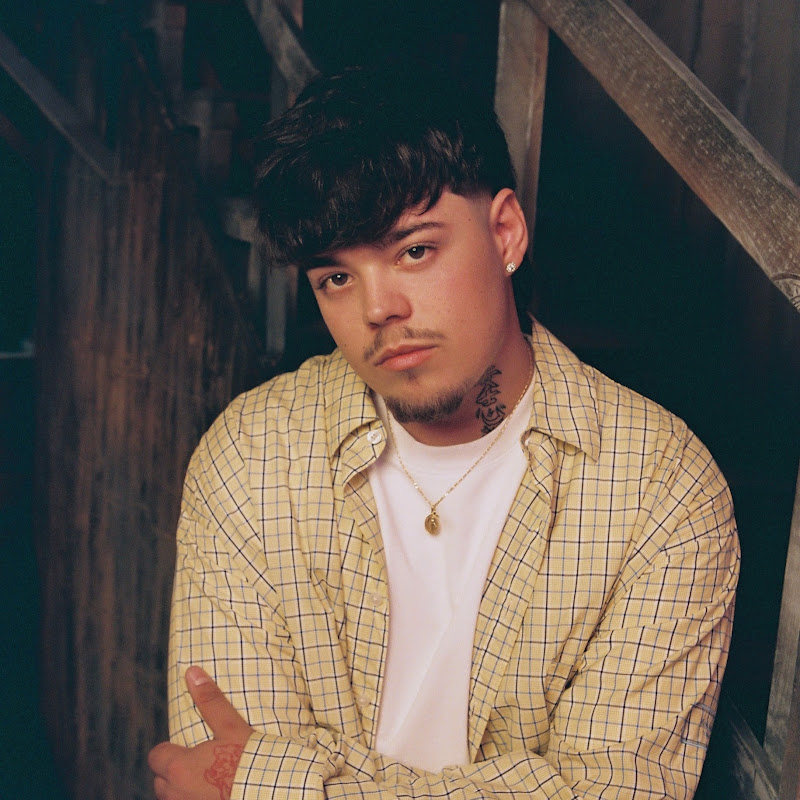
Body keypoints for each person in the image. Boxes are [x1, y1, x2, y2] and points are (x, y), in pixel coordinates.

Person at [148, 62, 740, 799]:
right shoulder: (252, 455)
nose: (378, 310)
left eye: (414, 251)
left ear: (506, 233)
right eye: (336, 278)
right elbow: (215, 772)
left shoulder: (660, 489)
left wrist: (287, 785)